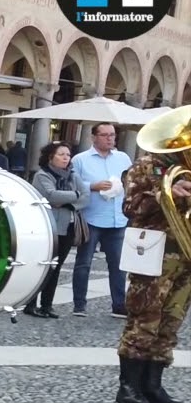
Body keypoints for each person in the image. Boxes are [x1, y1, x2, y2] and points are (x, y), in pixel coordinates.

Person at [113, 112, 189, 403]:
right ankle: (128, 387)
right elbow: (129, 206)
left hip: (185, 255)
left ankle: (153, 386)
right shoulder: (147, 166)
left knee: (171, 321)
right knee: (144, 320)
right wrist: (165, 194)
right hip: (154, 253)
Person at [70, 122, 131, 317]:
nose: (110, 138)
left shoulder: (123, 158)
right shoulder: (80, 159)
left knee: (118, 265)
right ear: (93, 137)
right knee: (83, 263)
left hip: (117, 218)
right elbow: (73, 185)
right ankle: (79, 304)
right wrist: (92, 186)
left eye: (112, 135)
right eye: (105, 135)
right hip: (91, 217)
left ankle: (119, 304)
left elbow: (131, 181)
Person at [25, 141, 88, 319]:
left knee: (56, 267)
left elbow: (86, 196)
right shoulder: (42, 175)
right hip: (47, 226)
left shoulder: (73, 176)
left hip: (67, 225)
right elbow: (51, 195)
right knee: (42, 265)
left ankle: (47, 305)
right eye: (61, 154)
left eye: (67, 154)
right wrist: (74, 196)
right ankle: (30, 303)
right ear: (50, 157)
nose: (65, 157)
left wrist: (68, 200)